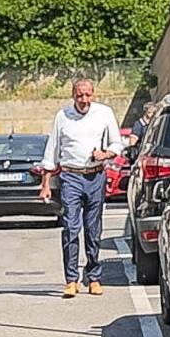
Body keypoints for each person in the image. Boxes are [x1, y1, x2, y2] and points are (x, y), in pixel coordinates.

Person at [42, 76, 124, 298]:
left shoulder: (104, 113)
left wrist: (105, 154)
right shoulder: (63, 116)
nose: (84, 100)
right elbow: (52, 150)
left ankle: (94, 277)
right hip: (71, 176)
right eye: (80, 95)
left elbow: (117, 143)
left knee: (93, 229)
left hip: (95, 176)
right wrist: (46, 183)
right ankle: (71, 280)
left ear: (93, 94)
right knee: (70, 227)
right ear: (73, 96)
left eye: (88, 95)